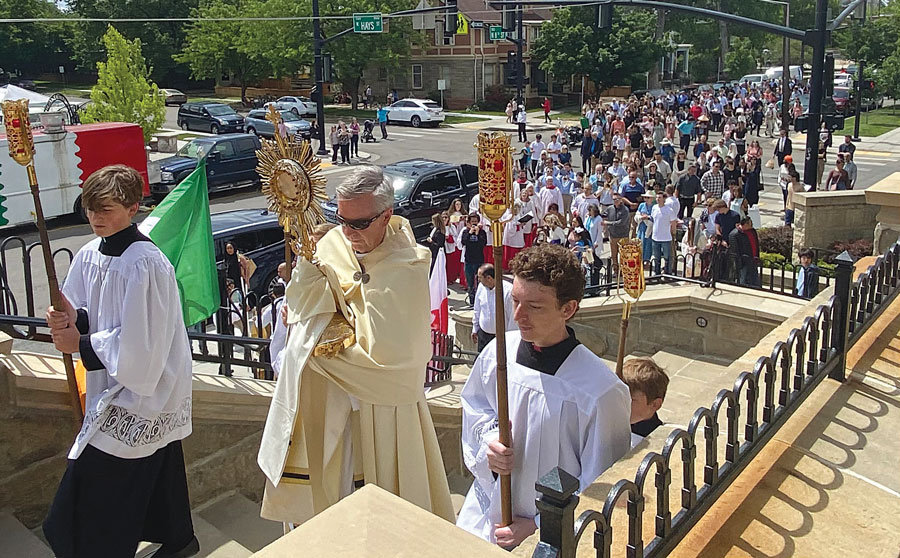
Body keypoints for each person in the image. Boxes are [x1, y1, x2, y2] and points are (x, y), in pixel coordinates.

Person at [258, 166, 455, 527]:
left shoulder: (408, 266)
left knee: (381, 526)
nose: (346, 233)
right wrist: (308, 313)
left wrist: (314, 345)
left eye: (358, 224)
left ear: (386, 216)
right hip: (328, 405)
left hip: (380, 415)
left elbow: (392, 364)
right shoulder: (332, 244)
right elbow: (301, 306)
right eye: (341, 219)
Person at [42, 165, 197, 558]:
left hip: (145, 385)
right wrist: (65, 317)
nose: (97, 218)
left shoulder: (146, 263)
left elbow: (143, 345)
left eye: (106, 209)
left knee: (89, 492)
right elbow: (81, 308)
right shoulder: (89, 253)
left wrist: (82, 343)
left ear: (134, 208)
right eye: (91, 209)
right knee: (158, 462)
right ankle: (178, 538)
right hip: (113, 378)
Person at [456, 244, 631, 548]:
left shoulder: (600, 391)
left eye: (535, 306)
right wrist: (490, 442)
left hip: (550, 539)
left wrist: (539, 525)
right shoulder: (499, 352)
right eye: (515, 301)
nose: (519, 315)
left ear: (568, 309)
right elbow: (475, 407)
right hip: (483, 513)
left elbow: (603, 486)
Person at [621, 357, 669, 441]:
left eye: (630, 400)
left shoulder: (658, 439)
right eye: (620, 397)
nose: (621, 404)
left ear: (655, 404)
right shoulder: (613, 424)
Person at [471, 264, 516, 352]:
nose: (478, 280)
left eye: (480, 277)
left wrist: (509, 338)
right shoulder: (481, 287)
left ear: (489, 278)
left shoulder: (508, 291)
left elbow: (512, 318)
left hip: (501, 337)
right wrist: (475, 328)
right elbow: (477, 308)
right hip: (484, 335)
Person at [462, 213, 488, 305]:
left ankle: (480, 301)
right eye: (472, 222)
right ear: (469, 223)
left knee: (480, 283)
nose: (474, 224)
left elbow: (483, 244)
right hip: (469, 260)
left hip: (479, 260)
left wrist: (477, 234)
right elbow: (464, 242)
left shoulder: (482, 232)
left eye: (476, 222)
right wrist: (470, 233)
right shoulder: (465, 232)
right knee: (470, 283)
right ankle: (472, 302)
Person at [650, 191, 678, 275]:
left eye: (660, 198)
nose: (658, 199)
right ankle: (657, 273)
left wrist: (673, 233)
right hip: (655, 237)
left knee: (667, 257)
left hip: (666, 237)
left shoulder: (669, 210)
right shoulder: (654, 208)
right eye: (657, 197)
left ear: (664, 199)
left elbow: (673, 223)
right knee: (656, 257)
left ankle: (668, 273)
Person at [728, 217, 760, 287]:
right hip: (743, 263)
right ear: (744, 224)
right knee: (742, 280)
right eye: (749, 223)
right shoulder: (734, 234)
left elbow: (756, 244)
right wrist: (740, 262)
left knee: (755, 280)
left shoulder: (752, 231)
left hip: (753, 259)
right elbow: (735, 250)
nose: (751, 224)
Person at [604, 193, 631, 271]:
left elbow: (621, 222)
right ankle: (615, 270)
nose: (615, 201)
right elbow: (604, 215)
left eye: (617, 199)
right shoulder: (610, 208)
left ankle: (624, 271)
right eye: (614, 199)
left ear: (621, 200)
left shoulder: (625, 210)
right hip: (613, 236)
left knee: (623, 255)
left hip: (623, 236)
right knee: (614, 255)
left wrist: (608, 223)